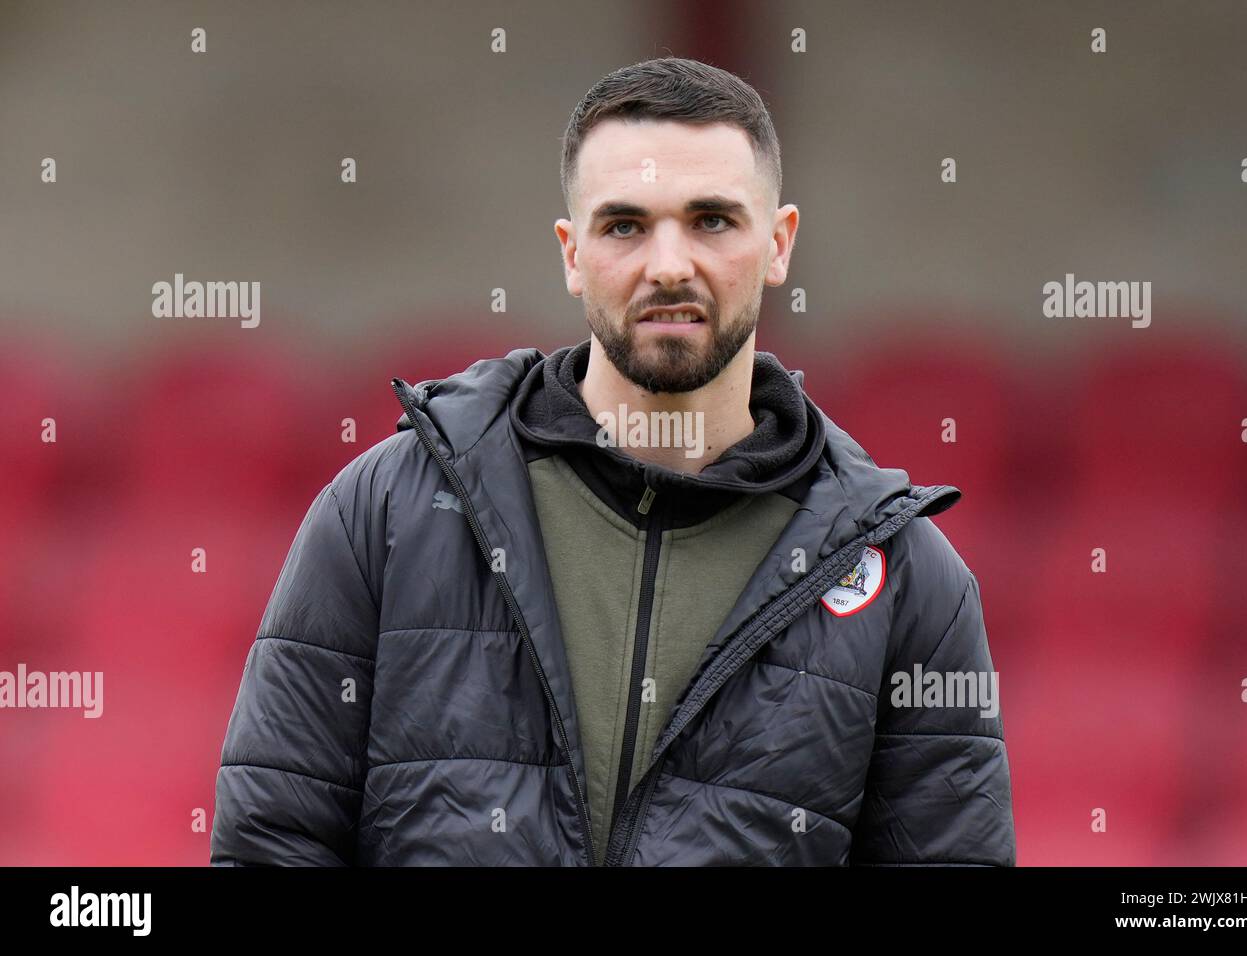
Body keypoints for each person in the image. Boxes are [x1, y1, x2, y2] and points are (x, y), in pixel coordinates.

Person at [211, 56, 1015, 866]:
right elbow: (273, 844)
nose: (668, 265)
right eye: (625, 225)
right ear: (571, 252)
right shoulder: (384, 513)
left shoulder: (906, 577)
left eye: (711, 220)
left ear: (779, 244)